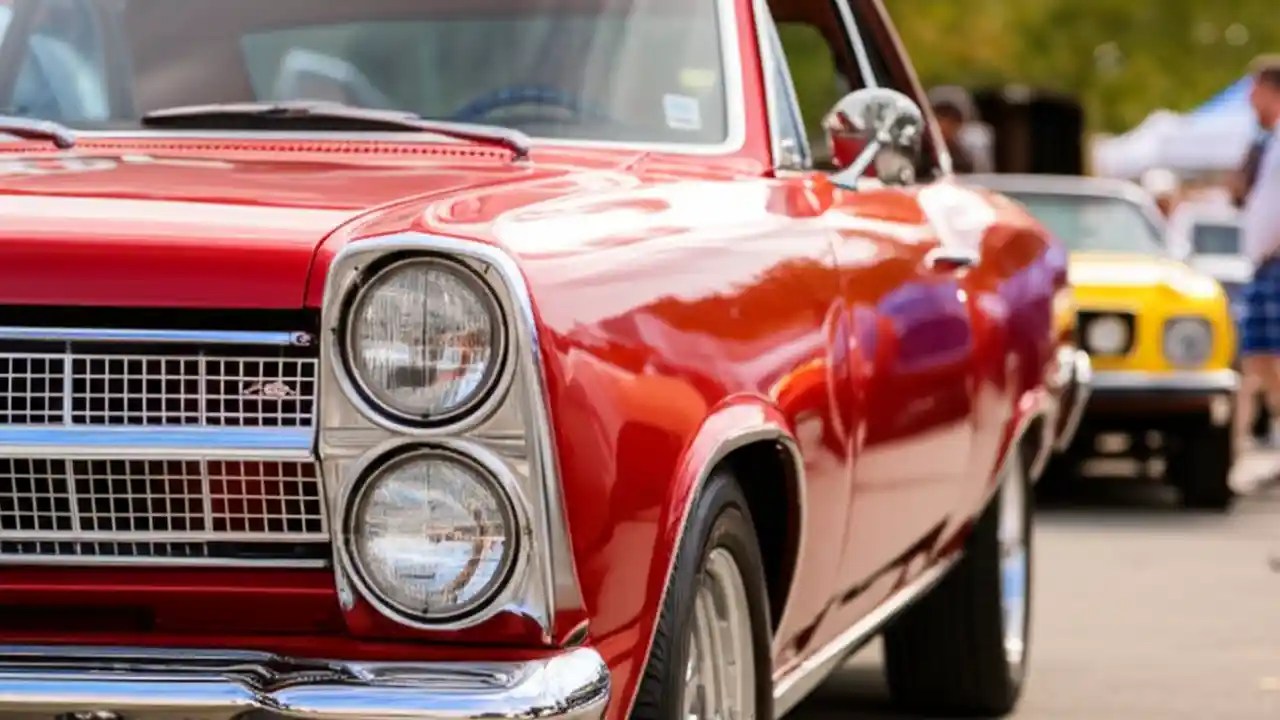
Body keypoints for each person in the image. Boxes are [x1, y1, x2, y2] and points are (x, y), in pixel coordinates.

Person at [1234, 55, 1280, 451]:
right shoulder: (1268, 141)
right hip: (1265, 263)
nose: (1249, 98)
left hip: (1276, 262)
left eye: (1254, 89)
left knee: (1266, 357)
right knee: (1258, 357)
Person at [928, 85, 977, 174]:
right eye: (940, 117)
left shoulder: (962, 158)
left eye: (952, 121)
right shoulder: (920, 150)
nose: (944, 125)